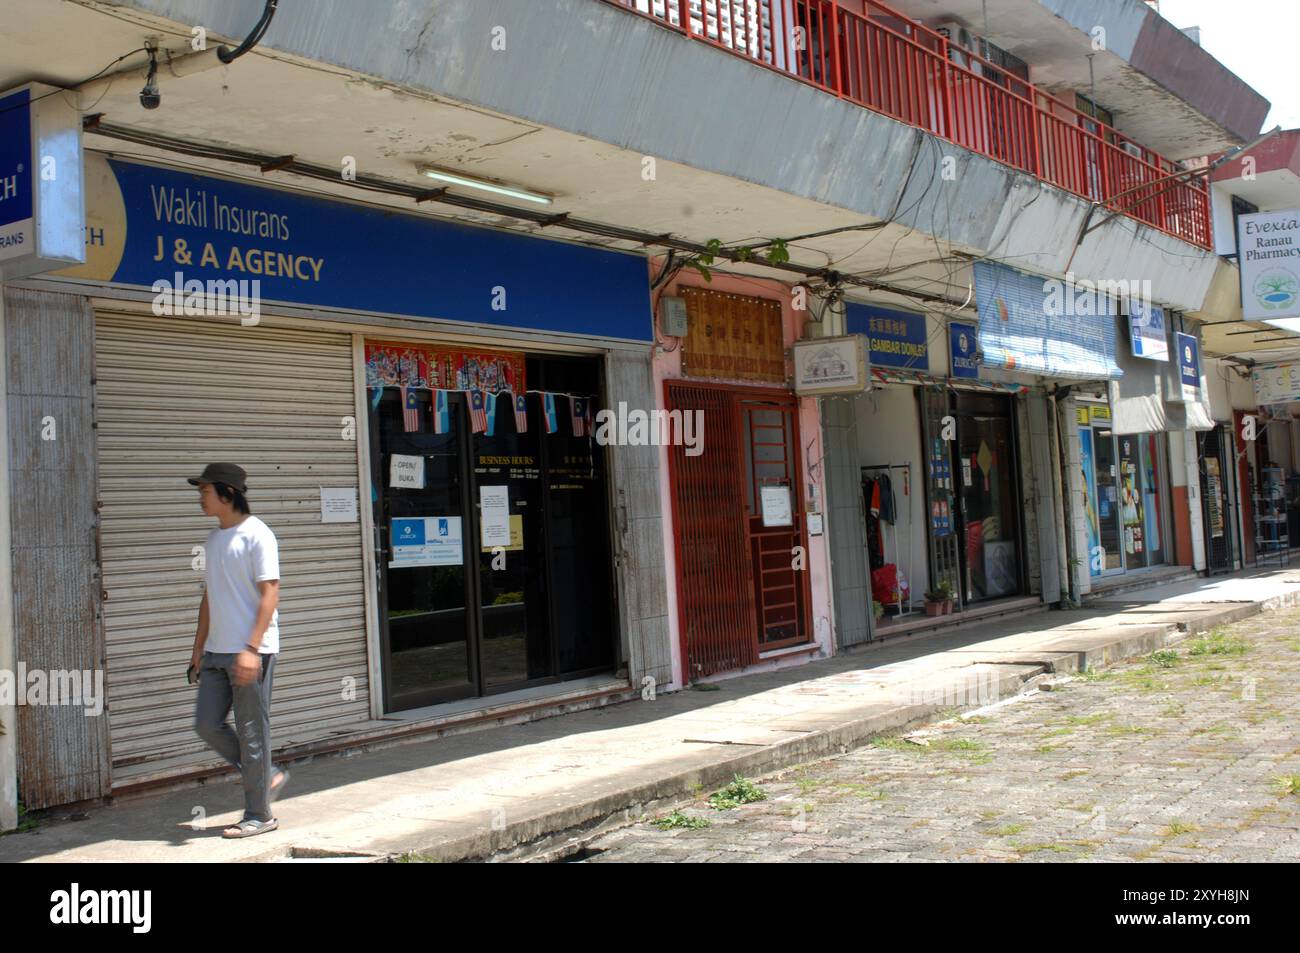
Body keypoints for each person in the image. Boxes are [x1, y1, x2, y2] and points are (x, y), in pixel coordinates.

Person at [186, 462, 290, 838]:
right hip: (217, 651)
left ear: (227, 493)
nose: (201, 497)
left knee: (252, 733)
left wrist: (251, 649)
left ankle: (259, 815)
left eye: (205, 491)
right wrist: (198, 648)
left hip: (250, 651)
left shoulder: (258, 534)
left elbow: (270, 593)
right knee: (206, 724)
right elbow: (209, 597)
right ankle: (267, 773)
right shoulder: (214, 539)